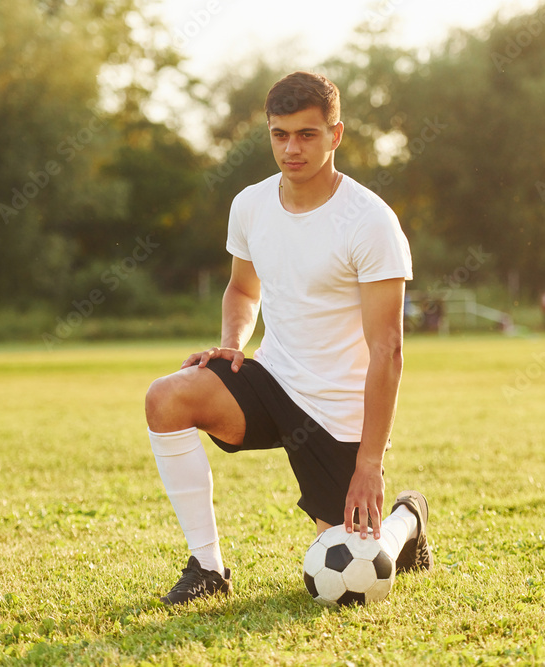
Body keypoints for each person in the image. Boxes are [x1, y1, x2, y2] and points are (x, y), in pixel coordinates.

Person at [144, 71, 433, 606]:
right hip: (272, 377)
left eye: (307, 134)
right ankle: (207, 567)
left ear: (335, 135)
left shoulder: (370, 221)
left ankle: (406, 518)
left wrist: (369, 464)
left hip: (336, 410)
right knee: (166, 396)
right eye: (280, 134)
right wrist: (232, 341)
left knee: (350, 564)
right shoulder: (251, 204)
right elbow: (240, 288)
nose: (291, 148)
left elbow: (388, 351)